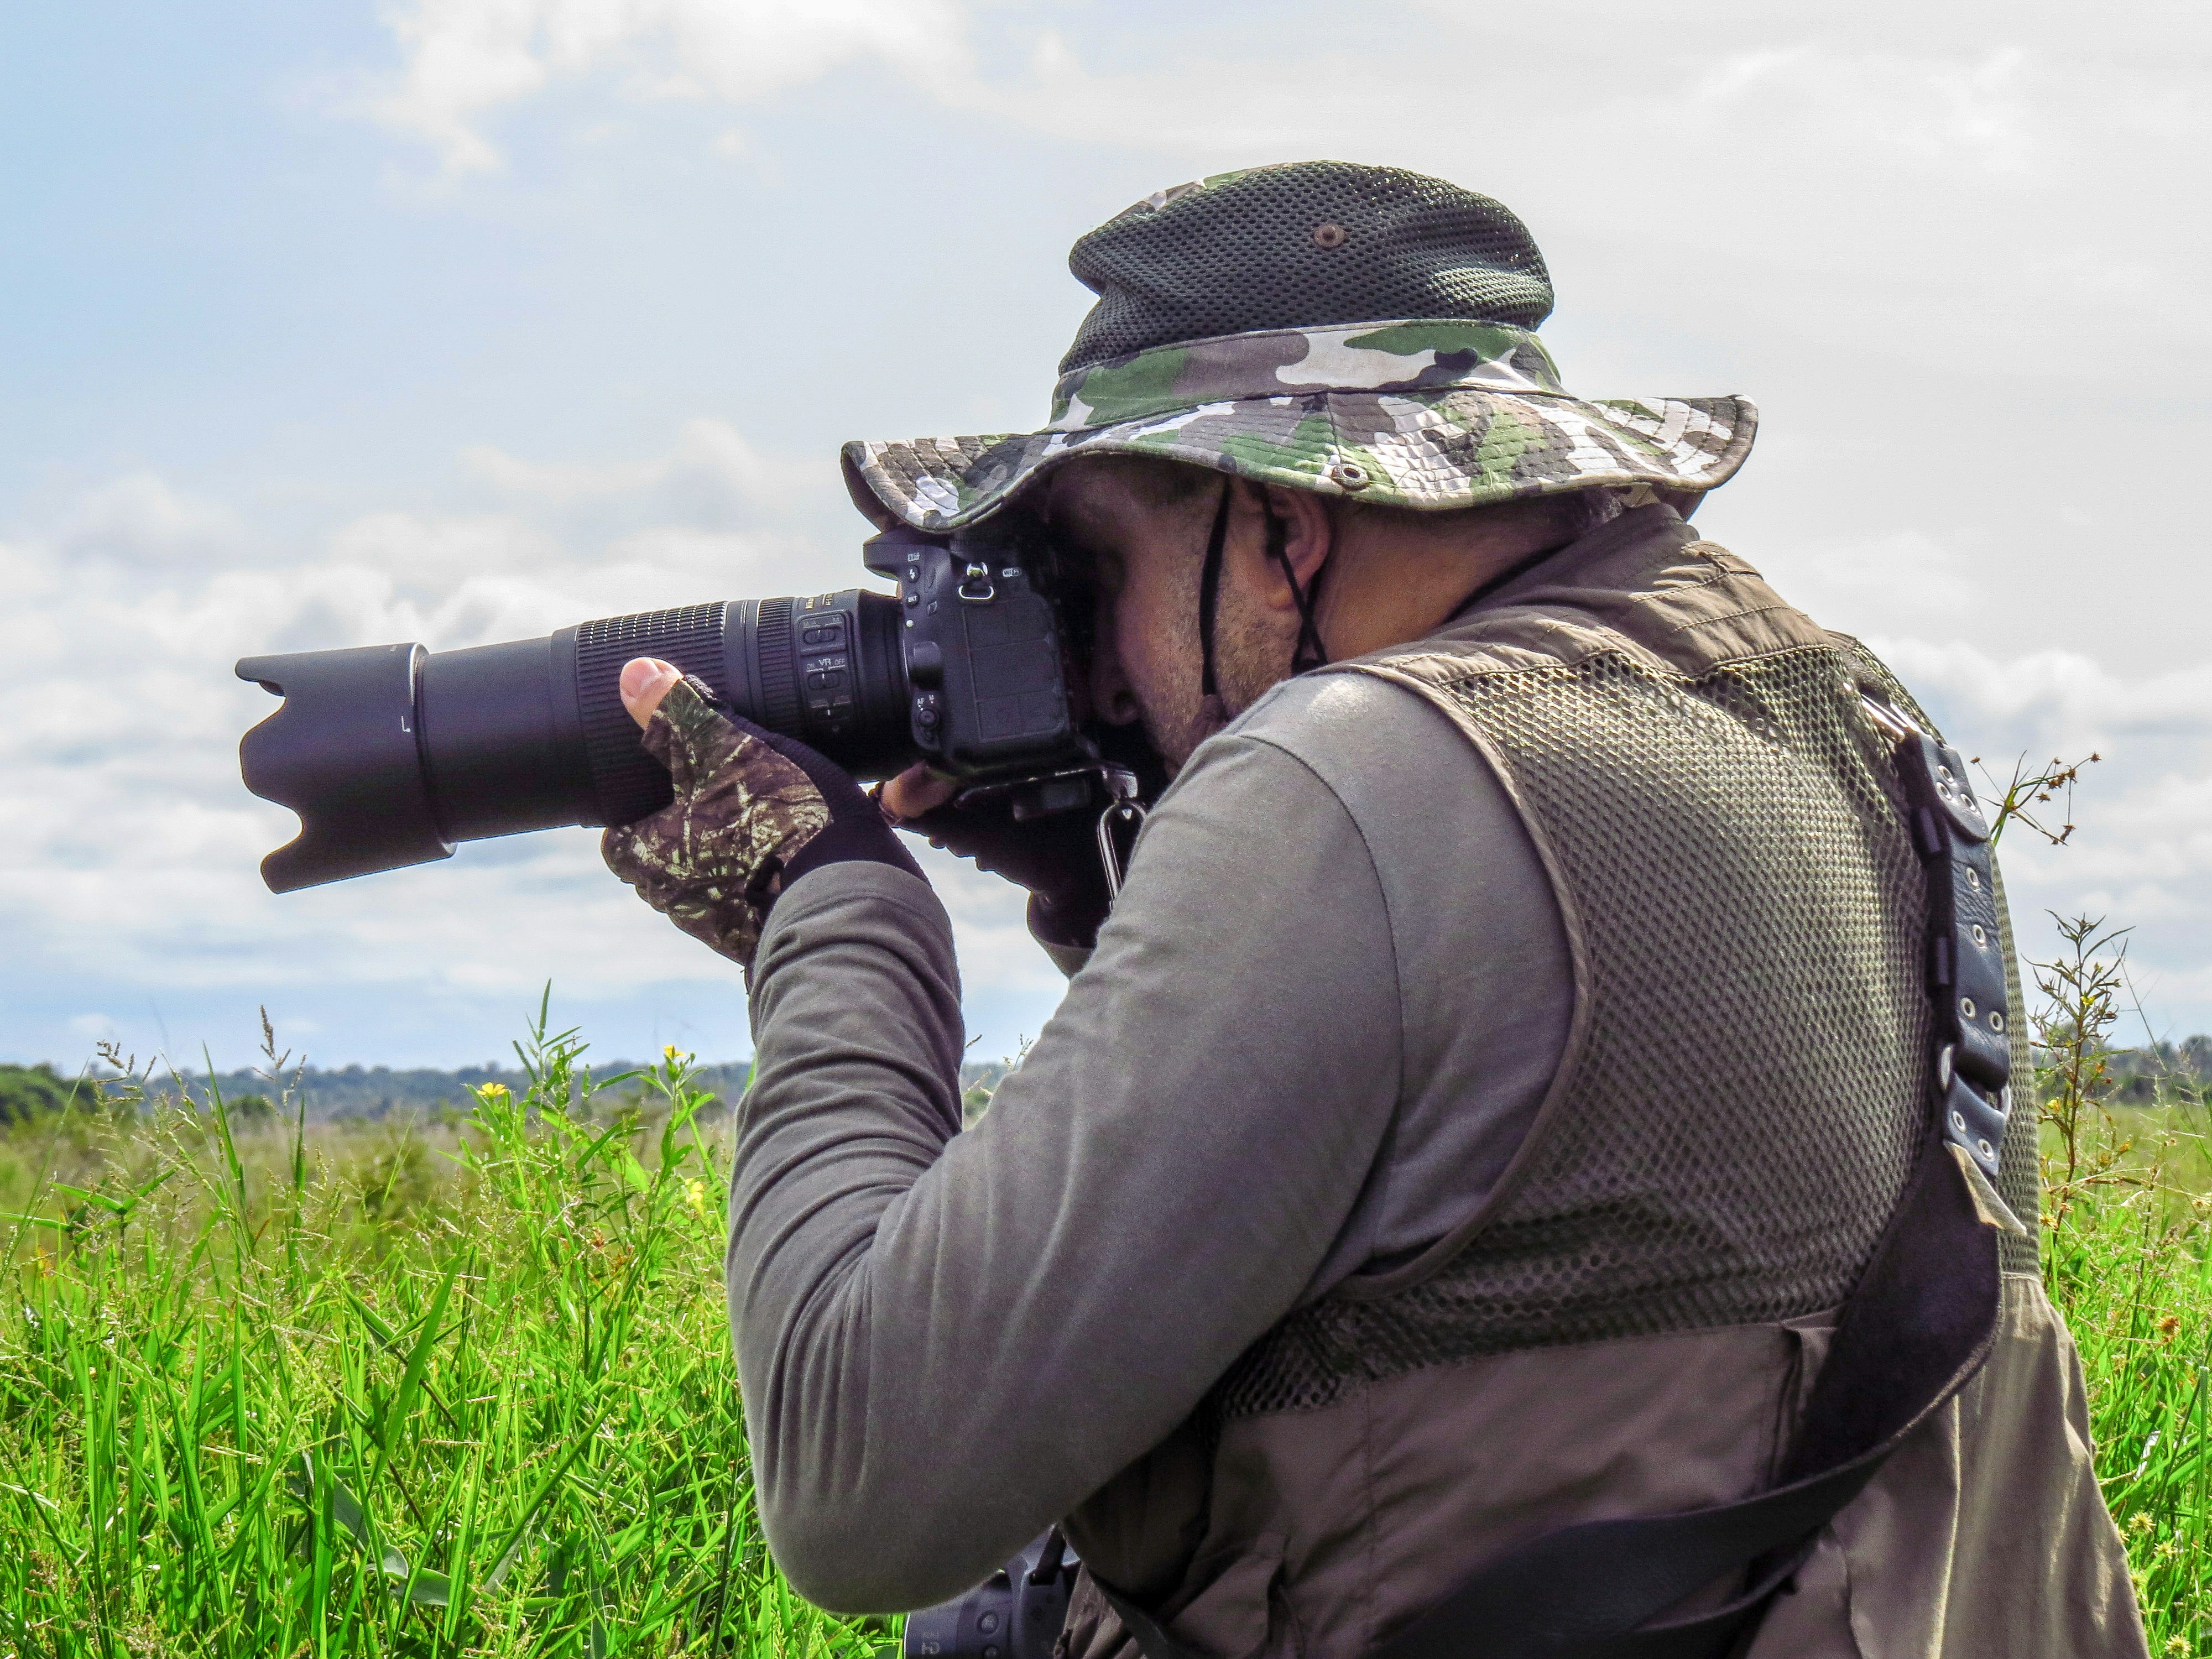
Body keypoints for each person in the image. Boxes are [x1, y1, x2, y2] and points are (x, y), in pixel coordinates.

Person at [600, 162, 2147, 1657]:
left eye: (1096, 570)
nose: (1092, 666)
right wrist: (1109, 895)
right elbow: (1501, 1210)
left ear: (1279, 530)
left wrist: (831, 910)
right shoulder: (1841, 718)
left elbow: (863, 1490)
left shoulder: (1355, 775)